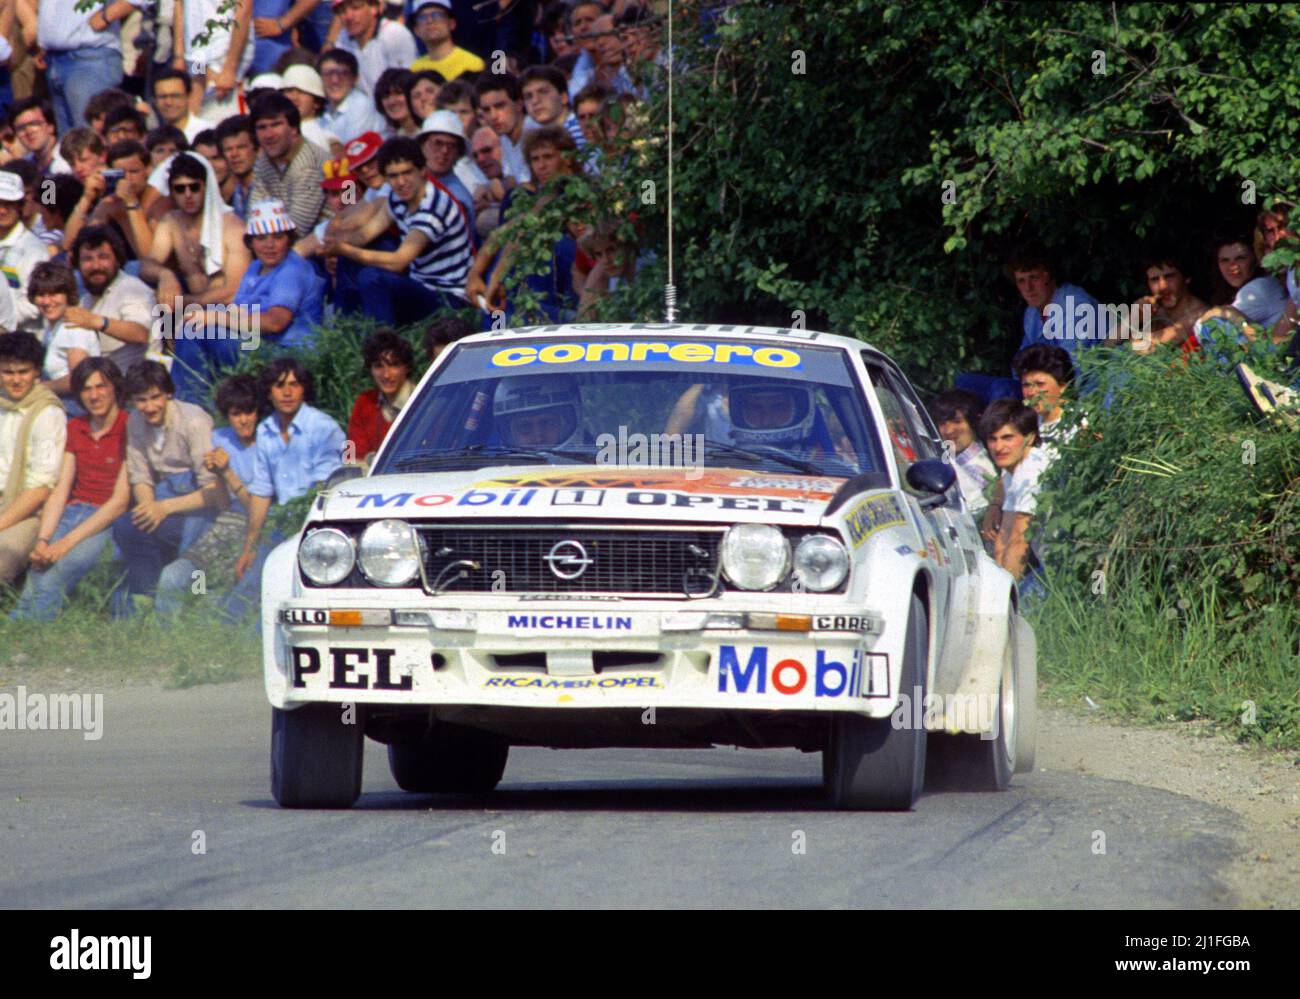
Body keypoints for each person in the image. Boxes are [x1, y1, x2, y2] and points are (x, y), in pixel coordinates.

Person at [11, 356, 129, 620]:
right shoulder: (76, 427)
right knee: (37, 570)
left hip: (108, 520)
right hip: (76, 511)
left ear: (114, 389)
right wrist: (44, 539)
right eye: (86, 389)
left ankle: (30, 638)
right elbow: (62, 489)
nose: (94, 395)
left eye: (101, 387)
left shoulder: (128, 426)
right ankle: (15, 633)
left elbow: (120, 502)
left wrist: (64, 544)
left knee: (59, 571)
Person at [172, 199, 325, 402]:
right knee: (193, 326)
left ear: (288, 239)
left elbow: (275, 322)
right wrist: (201, 317)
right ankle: (192, 404)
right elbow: (238, 311)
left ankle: (190, 408)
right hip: (258, 342)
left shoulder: (291, 270)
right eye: (261, 238)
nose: (269, 245)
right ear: (251, 242)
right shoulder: (255, 267)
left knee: (199, 330)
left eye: (277, 237)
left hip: (288, 353)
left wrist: (213, 317)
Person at [110, 359, 225, 616]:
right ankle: (145, 596)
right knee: (127, 525)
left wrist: (163, 508)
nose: (149, 407)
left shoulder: (193, 421)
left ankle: (188, 603)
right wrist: (149, 506)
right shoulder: (135, 423)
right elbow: (140, 476)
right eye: (141, 400)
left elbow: (214, 489)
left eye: (155, 398)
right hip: (164, 496)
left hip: (199, 504)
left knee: (191, 556)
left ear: (168, 393)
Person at [325, 135, 472, 323]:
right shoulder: (398, 197)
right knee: (350, 259)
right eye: (393, 176)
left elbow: (399, 261)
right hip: (420, 283)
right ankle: (343, 330)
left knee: (372, 277)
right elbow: (365, 234)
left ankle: (384, 347)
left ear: (422, 171)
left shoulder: (433, 206)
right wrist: (335, 246)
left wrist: (345, 248)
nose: (401, 182)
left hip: (448, 297)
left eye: (407, 173)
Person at [233, 357, 344, 591]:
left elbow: (325, 490)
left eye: (294, 384)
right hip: (280, 523)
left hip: (316, 523)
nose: (287, 392)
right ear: (269, 392)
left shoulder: (323, 427)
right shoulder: (264, 430)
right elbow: (262, 493)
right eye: (279, 385)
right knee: (247, 585)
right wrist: (250, 547)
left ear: (304, 389)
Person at [465, 125, 579, 322]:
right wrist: (475, 275)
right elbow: (503, 234)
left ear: (566, 158)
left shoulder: (580, 190)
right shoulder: (543, 196)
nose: (541, 166)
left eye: (548, 157)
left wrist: (495, 280)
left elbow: (522, 234)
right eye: (535, 159)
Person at [138, 153, 251, 315]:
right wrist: (165, 275)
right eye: (180, 189)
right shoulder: (171, 222)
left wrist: (185, 302)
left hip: (229, 315)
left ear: (205, 187)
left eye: (194, 187)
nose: (188, 194)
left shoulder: (232, 227)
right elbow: (146, 266)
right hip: (192, 311)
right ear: (172, 192)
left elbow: (235, 291)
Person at [0, 331, 67, 584]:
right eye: (8, 372)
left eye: (23, 372)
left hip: (25, 510)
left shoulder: (47, 412)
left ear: (37, 371)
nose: (16, 380)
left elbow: (41, 488)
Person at [35, 0, 138, 134]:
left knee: (89, 139)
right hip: (55, 59)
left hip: (90, 57)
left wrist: (106, 16)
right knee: (69, 145)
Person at [67, 224, 157, 375]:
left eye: (103, 257)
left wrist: (97, 322)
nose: (96, 266)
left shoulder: (131, 288)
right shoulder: (85, 298)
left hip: (139, 381)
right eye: (87, 259)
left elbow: (140, 333)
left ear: (117, 260)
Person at [978, 398, 1048, 584]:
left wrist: (1001, 604)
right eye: (993, 439)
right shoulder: (1012, 469)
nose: (999, 447)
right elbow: (1004, 537)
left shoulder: (1032, 471)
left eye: (1007, 437)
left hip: (1068, 571)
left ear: (1029, 438)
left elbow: (1018, 541)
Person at [247, 93, 329, 234]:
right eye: (262, 127)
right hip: (280, 239)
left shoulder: (307, 166)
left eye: (276, 125)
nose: (269, 135)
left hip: (322, 245)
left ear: (294, 129)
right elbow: (254, 215)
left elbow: (296, 230)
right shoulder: (265, 160)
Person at [1195, 233, 1289, 356]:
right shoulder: (1261, 284)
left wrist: (1217, 312)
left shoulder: (1258, 289)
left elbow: (1201, 329)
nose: (1233, 266)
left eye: (1240, 258)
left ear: (1255, 259)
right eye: (1224, 260)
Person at [29, 261, 99, 414]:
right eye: (41, 295)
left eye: (54, 294)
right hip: (56, 406)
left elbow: (78, 379)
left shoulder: (74, 327)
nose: (47, 301)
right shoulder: (50, 326)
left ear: (68, 295)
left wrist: (36, 388)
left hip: (76, 412)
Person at [174, 0, 253, 120]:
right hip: (196, 54)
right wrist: (179, 55)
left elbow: (244, 9)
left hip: (223, 51)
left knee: (221, 113)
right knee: (194, 109)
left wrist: (230, 69)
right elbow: (179, 5)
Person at [346, 328, 415, 464]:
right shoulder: (364, 402)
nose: (386, 375)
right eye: (378, 366)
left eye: (394, 365)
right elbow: (350, 456)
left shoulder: (424, 401)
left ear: (407, 367)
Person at [0, 167, 55, 332]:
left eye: (8, 204)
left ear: (20, 206)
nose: (2, 210)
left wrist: (4, 321)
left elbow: (34, 304)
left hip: (21, 339)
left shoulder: (35, 251)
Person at [932, 388, 996, 520]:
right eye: (942, 423)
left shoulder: (987, 463)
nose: (949, 430)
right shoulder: (943, 458)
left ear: (974, 421)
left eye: (957, 421)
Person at [1124, 251, 1206, 353]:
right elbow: (1106, 347)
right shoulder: (1156, 312)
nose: (1162, 287)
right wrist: (1133, 317)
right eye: (1155, 279)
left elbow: (1140, 348)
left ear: (1186, 278)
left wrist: (1132, 338)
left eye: (1169, 277)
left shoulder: (1200, 314)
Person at [334, 0, 417, 95]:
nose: (348, 16)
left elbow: (405, 89)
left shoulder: (395, 33)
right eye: (342, 11)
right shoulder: (342, 37)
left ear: (374, 8)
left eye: (355, 8)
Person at [417, 109, 475, 234]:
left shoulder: (457, 196)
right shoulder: (411, 179)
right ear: (422, 145)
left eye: (451, 146)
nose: (444, 151)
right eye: (437, 143)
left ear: (458, 153)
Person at [1012, 343, 1075, 451]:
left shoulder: (1080, 426)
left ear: (1063, 386)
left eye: (1040, 384)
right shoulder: (1025, 425)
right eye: (1026, 385)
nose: (1031, 392)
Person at [317, 48, 388, 142]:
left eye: (342, 73)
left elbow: (351, 151)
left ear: (355, 78)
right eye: (328, 74)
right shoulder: (323, 110)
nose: (335, 80)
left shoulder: (361, 105)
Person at [474, 72, 531, 183]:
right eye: (486, 110)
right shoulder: (505, 139)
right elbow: (510, 180)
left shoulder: (537, 133)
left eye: (500, 106)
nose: (493, 116)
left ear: (519, 104)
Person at [409, 0, 484, 81]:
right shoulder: (415, 70)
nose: (430, 21)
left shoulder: (472, 64)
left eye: (437, 15)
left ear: (452, 23)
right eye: (422, 17)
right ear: (416, 30)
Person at [280, 64, 342, 156]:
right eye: (289, 91)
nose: (294, 97)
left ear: (317, 102)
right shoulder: (274, 132)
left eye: (301, 92)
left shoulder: (327, 138)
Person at [522, 65, 586, 147]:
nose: (535, 101)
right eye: (528, 96)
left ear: (564, 97)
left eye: (543, 92)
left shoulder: (581, 130)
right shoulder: (535, 134)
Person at [469, 125, 513, 241]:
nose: (480, 159)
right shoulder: (484, 185)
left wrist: (493, 204)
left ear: (504, 147)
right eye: (475, 155)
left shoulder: (522, 173)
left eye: (487, 150)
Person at [9, 97, 72, 175]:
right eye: (21, 128)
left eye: (34, 124)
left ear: (51, 126)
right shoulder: (25, 168)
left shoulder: (69, 161)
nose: (29, 132)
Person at [150, 68, 213, 145]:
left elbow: (199, 65)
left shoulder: (208, 132)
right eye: (162, 97)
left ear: (189, 96)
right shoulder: (152, 138)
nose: (169, 102)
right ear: (154, 100)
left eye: (175, 96)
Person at [215, 115, 258, 218]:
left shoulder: (271, 187)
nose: (234, 154)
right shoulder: (234, 196)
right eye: (228, 149)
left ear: (256, 148)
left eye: (241, 147)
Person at [375, 67, 420, 137]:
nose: (392, 101)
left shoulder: (430, 130)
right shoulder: (392, 137)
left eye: (398, 93)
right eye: (386, 96)